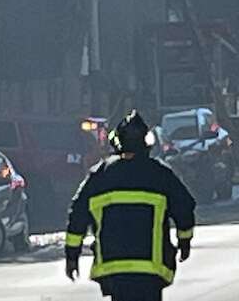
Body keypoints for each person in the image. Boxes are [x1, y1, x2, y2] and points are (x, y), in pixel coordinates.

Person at [65, 111, 196, 301]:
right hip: (151, 270)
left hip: (113, 269)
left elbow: (77, 214)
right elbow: (184, 207)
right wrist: (184, 242)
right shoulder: (159, 174)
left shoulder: (100, 175)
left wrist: (72, 256)